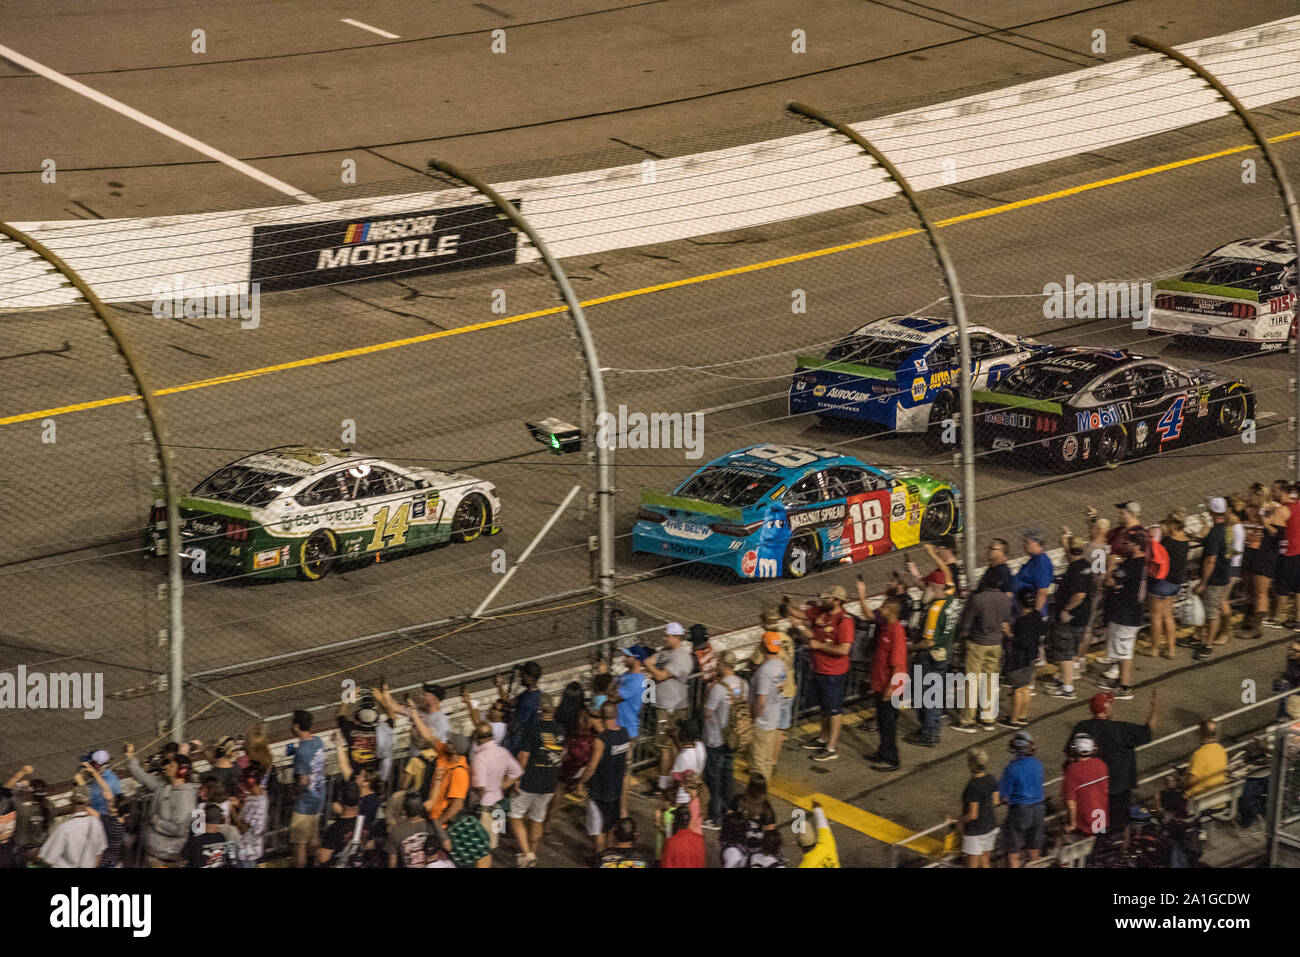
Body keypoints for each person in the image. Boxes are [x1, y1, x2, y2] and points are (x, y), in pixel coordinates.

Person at [1068, 690, 1159, 850]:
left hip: (1092, 792)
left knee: (1097, 829)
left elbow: (1070, 757)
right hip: (1119, 789)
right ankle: (1120, 855)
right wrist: (1155, 707)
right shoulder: (1120, 730)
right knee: (1121, 825)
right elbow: (1148, 731)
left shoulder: (1081, 728)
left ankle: (1098, 854)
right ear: (1107, 708)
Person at [788, 585, 854, 761]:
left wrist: (820, 645)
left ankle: (831, 748)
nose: (823, 600)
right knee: (825, 708)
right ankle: (823, 738)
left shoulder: (844, 621)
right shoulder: (821, 612)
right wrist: (788, 604)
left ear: (837, 600)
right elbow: (798, 614)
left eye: (827, 598)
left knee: (834, 710)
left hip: (834, 672)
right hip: (819, 669)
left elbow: (844, 649)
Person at [510, 692, 565, 867]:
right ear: (554, 710)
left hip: (530, 781)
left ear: (540, 710)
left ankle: (528, 854)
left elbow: (523, 757)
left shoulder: (533, 729)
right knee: (537, 818)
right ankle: (532, 853)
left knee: (515, 816)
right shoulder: (561, 730)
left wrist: (517, 778)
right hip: (549, 782)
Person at [906, 575, 959, 747]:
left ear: (936, 587)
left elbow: (928, 641)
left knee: (928, 695)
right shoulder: (951, 600)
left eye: (928, 585)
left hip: (930, 656)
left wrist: (911, 648)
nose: (925, 588)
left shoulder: (935, 610)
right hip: (944, 654)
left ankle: (929, 733)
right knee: (934, 693)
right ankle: (930, 729)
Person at [642, 623, 695, 795]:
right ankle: (672, 780)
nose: (664, 638)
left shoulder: (681, 657)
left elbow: (660, 674)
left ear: (676, 637)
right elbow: (653, 665)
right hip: (664, 705)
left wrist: (648, 665)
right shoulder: (666, 651)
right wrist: (652, 666)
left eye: (667, 636)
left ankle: (664, 786)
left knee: (666, 746)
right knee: (668, 745)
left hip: (671, 707)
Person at [126, 743, 198, 866]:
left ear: (181, 771)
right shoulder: (164, 786)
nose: (167, 766)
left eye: (171, 765)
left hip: (165, 857)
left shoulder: (185, 797)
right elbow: (143, 777)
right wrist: (131, 757)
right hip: (154, 851)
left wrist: (156, 821)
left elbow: (180, 830)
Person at [576, 701, 630, 855]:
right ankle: (609, 859)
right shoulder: (625, 734)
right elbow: (626, 762)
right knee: (611, 829)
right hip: (617, 793)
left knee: (599, 832)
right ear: (616, 714)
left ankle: (601, 859)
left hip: (599, 793)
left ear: (601, 716)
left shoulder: (601, 740)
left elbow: (592, 767)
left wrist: (581, 782)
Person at [956, 583, 1011, 731]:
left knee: (973, 681)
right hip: (996, 643)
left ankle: (968, 720)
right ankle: (988, 718)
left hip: (978, 643)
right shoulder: (1005, 598)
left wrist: (962, 639)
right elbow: (1006, 619)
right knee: (991, 681)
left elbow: (966, 623)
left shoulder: (978, 599)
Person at [469, 719, 523, 867]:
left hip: (485, 808)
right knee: (491, 845)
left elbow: (480, 786)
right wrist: (502, 786)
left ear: (478, 739)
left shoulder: (480, 758)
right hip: (499, 806)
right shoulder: (503, 752)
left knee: (481, 848)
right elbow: (517, 772)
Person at [702, 650, 746, 828]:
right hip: (734, 739)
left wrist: (708, 690)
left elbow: (707, 713)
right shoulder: (743, 684)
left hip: (715, 739)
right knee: (728, 776)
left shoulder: (719, 689)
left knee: (713, 779)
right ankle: (729, 810)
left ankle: (715, 816)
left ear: (722, 665)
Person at [1101, 531, 1147, 698]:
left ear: (1135, 545)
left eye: (1128, 543)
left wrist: (1111, 567)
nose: (1125, 546)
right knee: (1123, 650)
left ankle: (1125, 687)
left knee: (1125, 651)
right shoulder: (1141, 563)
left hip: (1126, 614)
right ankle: (1121, 681)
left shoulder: (1132, 565)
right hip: (1132, 612)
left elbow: (1111, 582)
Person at [1047, 537, 1094, 700]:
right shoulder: (1086, 566)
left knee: (1065, 652)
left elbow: (1079, 595)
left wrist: (1066, 609)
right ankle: (1063, 679)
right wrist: (1067, 540)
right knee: (1072, 649)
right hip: (1083, 616)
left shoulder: (1074, 570)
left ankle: (1068, 689)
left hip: (1070, 617)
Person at [867, 596, 907, 771]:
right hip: (881, 684)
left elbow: (897, 664)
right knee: (883, 723)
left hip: (890, 688)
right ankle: (883, 751)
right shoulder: (886, 628)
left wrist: (890, 690)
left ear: (890, 611)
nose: (880, 609)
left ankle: (892, 759)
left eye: (883, 607)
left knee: (888, 724)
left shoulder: (896, 632)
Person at [998, 729, 1045, 867]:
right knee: (1034, 849)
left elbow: (1004, 798)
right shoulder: (1038, 765)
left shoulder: (1011, 769)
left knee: (1013, 853)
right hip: (1039, 809)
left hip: (1020, 811)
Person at [1193, 497, 1232, 658]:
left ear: (1212, 512)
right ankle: (1203, 638)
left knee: (1211, 613)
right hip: (1224, 575)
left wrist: (1203, 582)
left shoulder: (1215, 534)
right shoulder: (1227, 530)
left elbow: (1211, 559)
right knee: (1213, 610)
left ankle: (1207, 645)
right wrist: (1202, 539)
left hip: (1214, 580)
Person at [288, 709, 327, 868]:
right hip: (319, 798)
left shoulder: (302, 752)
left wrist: (293, 791)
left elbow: (303, 780)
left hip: (304, 804)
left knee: (299, 846)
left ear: (297, 726)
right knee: (313, 840)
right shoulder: (318, 741)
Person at [1002, 587, 1044, 729]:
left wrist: (1010, 634)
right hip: (1032, 657)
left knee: (1018, 689)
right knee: (1025, 687)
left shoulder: (1022, 621)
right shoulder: (1037, 616)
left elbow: (1022, 641)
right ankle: (1022, 716)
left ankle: (1013, 720)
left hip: (1020, 658)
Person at [749, 630, 788, 782]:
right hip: (773, 718)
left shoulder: (765, 670)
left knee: (758, 763)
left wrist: (753, 718)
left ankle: (758, 795)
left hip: (762, 721)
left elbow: (761, 701)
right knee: (766, 759)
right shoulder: (780, 665)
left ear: (763, 647)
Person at [38, 786, 106, 868]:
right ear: (88, 802)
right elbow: (99, 853)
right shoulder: (96, 823)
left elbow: (47, 858)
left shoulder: (64, 828)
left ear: (71, 802)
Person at [952, 748, 998, 868]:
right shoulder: (991, 778)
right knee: (985, 861)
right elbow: (996, 801)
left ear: (970, 764)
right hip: (991, 826)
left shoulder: (973, 786)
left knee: (973, 865)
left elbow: (973, 815)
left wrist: (959, 820)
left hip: (976, 831)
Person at [385, 792, 451, 868]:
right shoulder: (433, 823)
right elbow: (448, 847)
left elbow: (392, 863)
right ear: (421, 807)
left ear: (404, 809)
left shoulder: (396, 831)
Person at [1062, 733, 1109, 838]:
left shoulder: (1073, 770)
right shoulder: (1101, 764)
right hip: (1102, 819)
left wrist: (1072, 824)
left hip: (1084, 822)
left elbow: (1070, 802)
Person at [232, 762, 268, 868]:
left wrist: (232, 810)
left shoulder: (257, 802)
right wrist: (238, 804)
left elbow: (244, 829)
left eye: (243, 781)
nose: (242, 785)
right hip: (251, 849)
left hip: (246, 851)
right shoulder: (259, 794)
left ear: (250, 782)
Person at [1014, 529, 1054, 620]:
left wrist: (1035, 616)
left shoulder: (1041, 563)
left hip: (1032, 614)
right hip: (1025, 610)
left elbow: (1042, 592)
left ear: (1033, 543)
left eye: (1025, 542)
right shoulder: (1035, 560)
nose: (1023, 545)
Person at [1185, 720, 1228, 797]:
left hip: (1199, 799)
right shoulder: (1222, 750)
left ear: (1200, 734)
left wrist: (1181, 780)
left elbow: (1190, 782)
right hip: (1218, 798)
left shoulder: (1199, 754)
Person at [183, 804, 232, 869]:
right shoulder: (223, 838)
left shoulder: (195, 841)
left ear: (204, 818)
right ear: (221, 820)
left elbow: (182, 860)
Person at [659, 798, 705, 868]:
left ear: (676, 822)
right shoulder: (699, 840)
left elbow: (666, 865)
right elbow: (701, 863)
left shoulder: (671, 842)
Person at [795, 800, 840, 868]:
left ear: (799, 845)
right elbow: (822, 823)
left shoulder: (804, 866)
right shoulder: (826, 844)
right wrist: (817, 808)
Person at [83, 749, 121, 817]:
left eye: (92, 764)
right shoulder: (110, 776)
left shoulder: (107, 781)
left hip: (99, 819)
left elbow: (89, 802)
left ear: (99, 766)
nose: (89, 767)